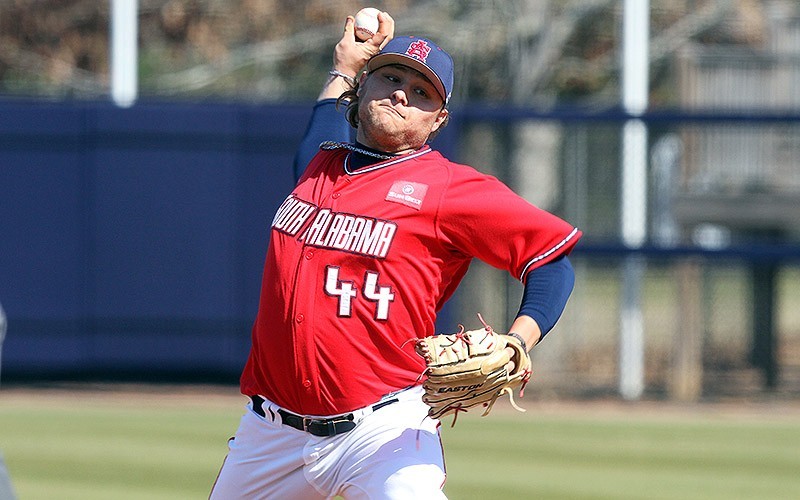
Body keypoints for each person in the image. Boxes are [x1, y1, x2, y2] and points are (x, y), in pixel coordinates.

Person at [210, 11, 581, 499]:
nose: (402, 93)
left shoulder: (450, 189)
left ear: (437, 120)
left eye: (422, 92)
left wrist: (518, 340)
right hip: (270, 433)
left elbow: (551, 260)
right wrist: (341, 66)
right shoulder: (321, 165)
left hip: (384, 431)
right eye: (390, 77)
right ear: (362, 87)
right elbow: (313, 139)